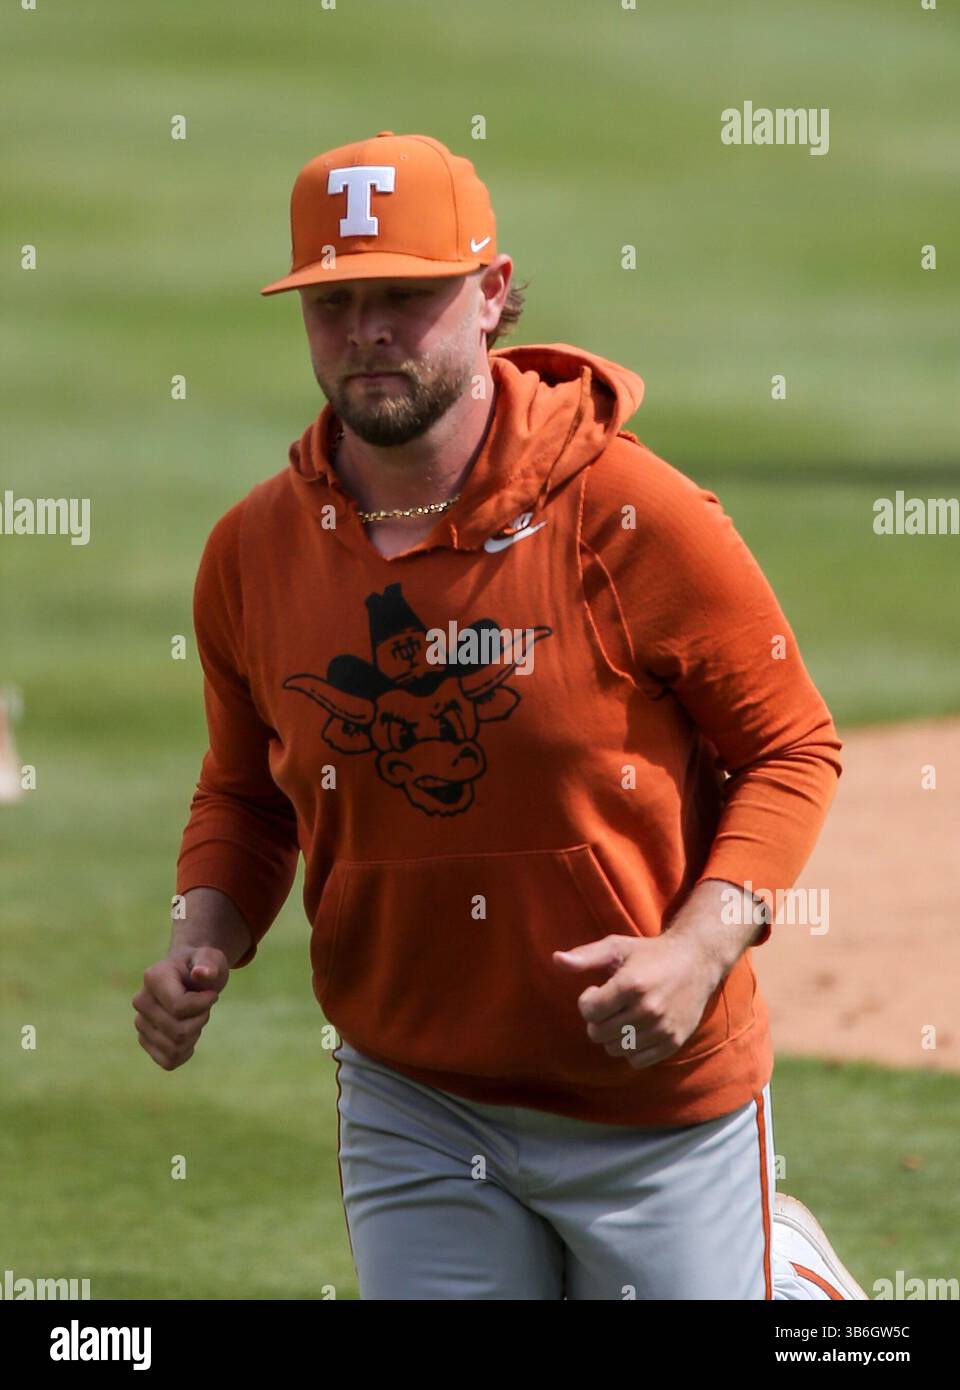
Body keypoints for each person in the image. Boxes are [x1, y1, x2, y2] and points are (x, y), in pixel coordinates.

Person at [133, 131, 867, 1301]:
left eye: (406, 296)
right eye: (334, 302)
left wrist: (699, 946)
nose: (367, 329)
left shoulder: (633, 513)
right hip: (411, 1089)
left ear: (492, 296)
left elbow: (791, 745)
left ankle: (791, 1275)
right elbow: (242, 790)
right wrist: (202, 932)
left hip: (648, 1090)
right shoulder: (252, 552)